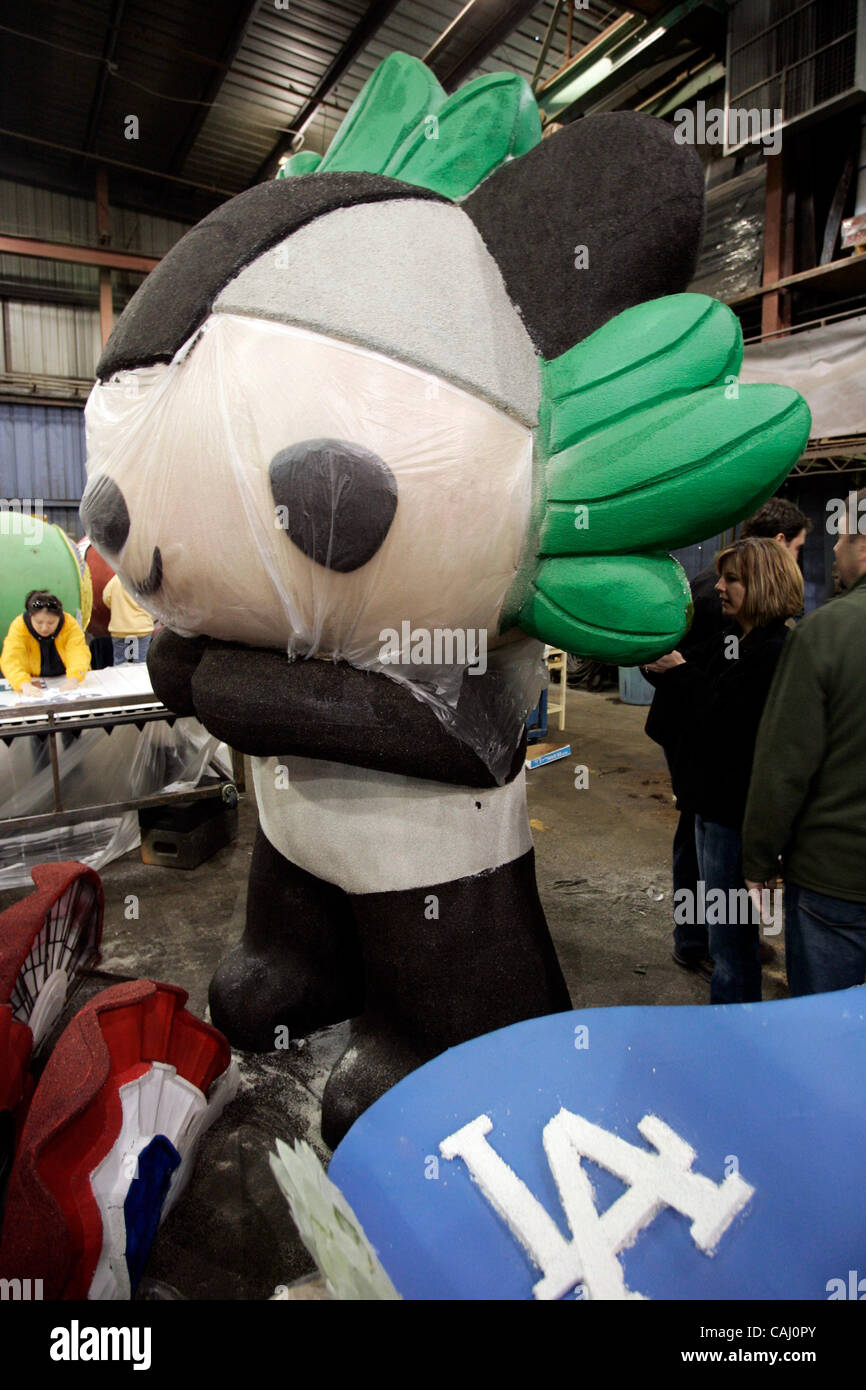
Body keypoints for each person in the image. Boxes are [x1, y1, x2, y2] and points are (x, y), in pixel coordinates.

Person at [644, 538, 804, 1004]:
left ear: (762, 584)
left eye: (732, 579)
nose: (719, 587)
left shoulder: (773, 652)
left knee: (733, 939)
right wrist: (661, 662)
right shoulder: (739, 639)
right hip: (708, 803)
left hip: (733, 809)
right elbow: (697, 669)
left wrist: (677, 673)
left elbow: (725, 720)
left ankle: (732, 1024)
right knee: (721, 919)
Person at [743, 488, 866, 996]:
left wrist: (757, 858)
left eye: (841, 539)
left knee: (826, 1040)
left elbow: (784, 766)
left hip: (836, 882)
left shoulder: (824, 633)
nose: (832, 552)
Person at [1, 590, 90, 695]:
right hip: (32, 679)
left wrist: (74, 680)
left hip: (64, 677)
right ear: (30, 616)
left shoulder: (69, 624)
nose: (44, 628)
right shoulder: (20, 626)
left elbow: (78, 652)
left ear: (59, 617)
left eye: (51, 623)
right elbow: (11, 658)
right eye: (39, 622)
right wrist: (24, 685)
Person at [102, 574, 154, 664]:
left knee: (120, 664)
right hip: (142, 628)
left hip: (120, 629)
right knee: (141, 664)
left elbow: (106, 597)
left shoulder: (116, 579)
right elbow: (154, 601)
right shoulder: (145, 579)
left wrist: (117, 607)